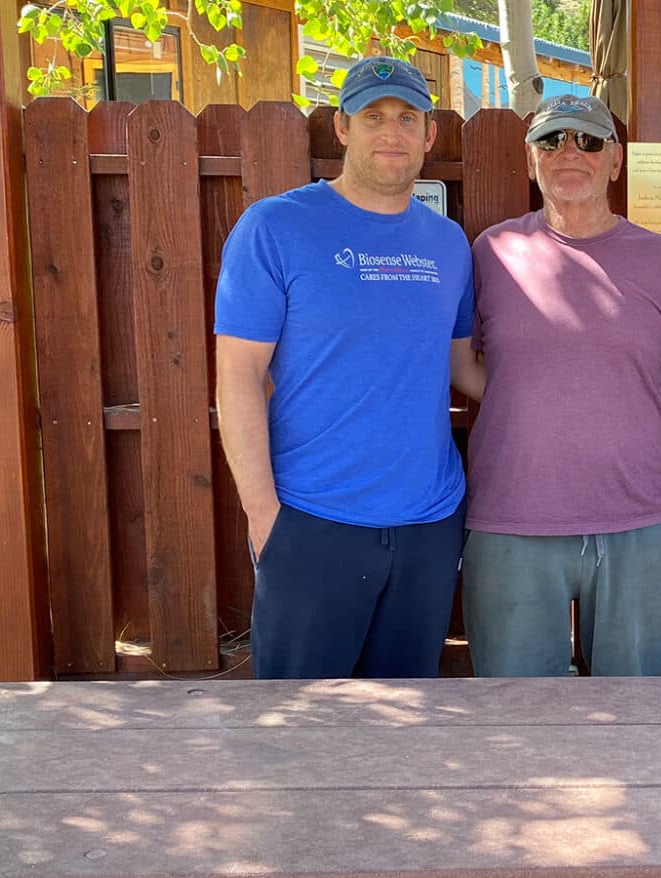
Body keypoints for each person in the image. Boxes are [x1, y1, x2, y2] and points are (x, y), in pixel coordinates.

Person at [214, 56, 483, 679]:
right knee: (299, 736)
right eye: (373, 116)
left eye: (407, 118)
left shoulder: (447, 244)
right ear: (341, 128)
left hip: (428, 524)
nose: (391, 132)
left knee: (403, 729)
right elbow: (238, 377)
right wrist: (265, 518)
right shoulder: (276, 228)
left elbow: (463, 368)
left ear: (429, 135)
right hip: (312, 520)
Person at [462, 94, 661, 677]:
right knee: (514, 715)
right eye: (552, 140)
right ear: (530, 157)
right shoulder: (492, 252)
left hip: (639, 520)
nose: (569, 153)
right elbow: (462, 367)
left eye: (588, 140)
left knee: (631, 719)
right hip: (513, 518)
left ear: (615, 161)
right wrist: (530, 397)